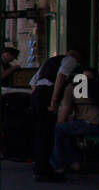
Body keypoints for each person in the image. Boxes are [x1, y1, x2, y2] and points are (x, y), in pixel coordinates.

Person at [29, 47, 83, 181]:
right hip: (48, 94)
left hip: (37, 95)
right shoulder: (70, 61)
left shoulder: (49, 61)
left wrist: (38, 95)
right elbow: (61, 76)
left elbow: (32, 83)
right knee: (47, 134)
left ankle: (40, 167)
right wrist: (54, 99)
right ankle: (44, 171)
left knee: (40, 133)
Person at [50, 65, 99, 173]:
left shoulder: (74, 88)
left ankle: (58, 165)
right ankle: (73, 161)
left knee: (58, 129)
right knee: (67, 130)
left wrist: (59, 122)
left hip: (90, 125)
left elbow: (65, 112)